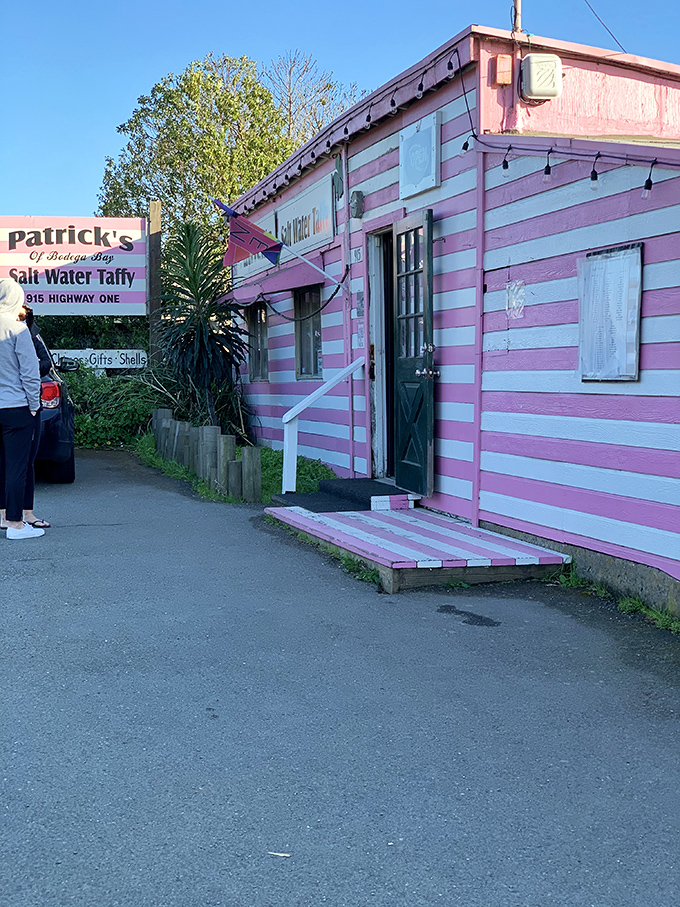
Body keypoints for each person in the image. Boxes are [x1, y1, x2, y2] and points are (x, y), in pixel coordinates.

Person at [0, 278, 45, 539]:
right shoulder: (19, 330)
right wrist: (34, 405)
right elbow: (30, 373)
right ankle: (16, 524)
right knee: (17, 466)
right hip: (16, 407)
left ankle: (2, 517)